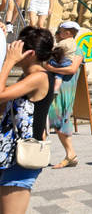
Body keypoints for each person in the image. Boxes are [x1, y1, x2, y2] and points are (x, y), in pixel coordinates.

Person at [0, 27, 60, 213]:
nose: (14, 51)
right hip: (9, 154)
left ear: (30, 53)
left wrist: (8, 62)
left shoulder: (39, 77)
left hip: (21, 158)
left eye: (18, 47)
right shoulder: (28, 76)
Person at [42, 21, 84, 169]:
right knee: (46, 121)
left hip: (64, 91)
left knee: (59, 122)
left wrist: (51, 68)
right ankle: (44, 155)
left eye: (59, 32)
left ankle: (69, 155)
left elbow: (72, 70)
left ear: (67, 33)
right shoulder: (58, 49)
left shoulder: (77, 50)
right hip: (51, 88)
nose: (57, 35)